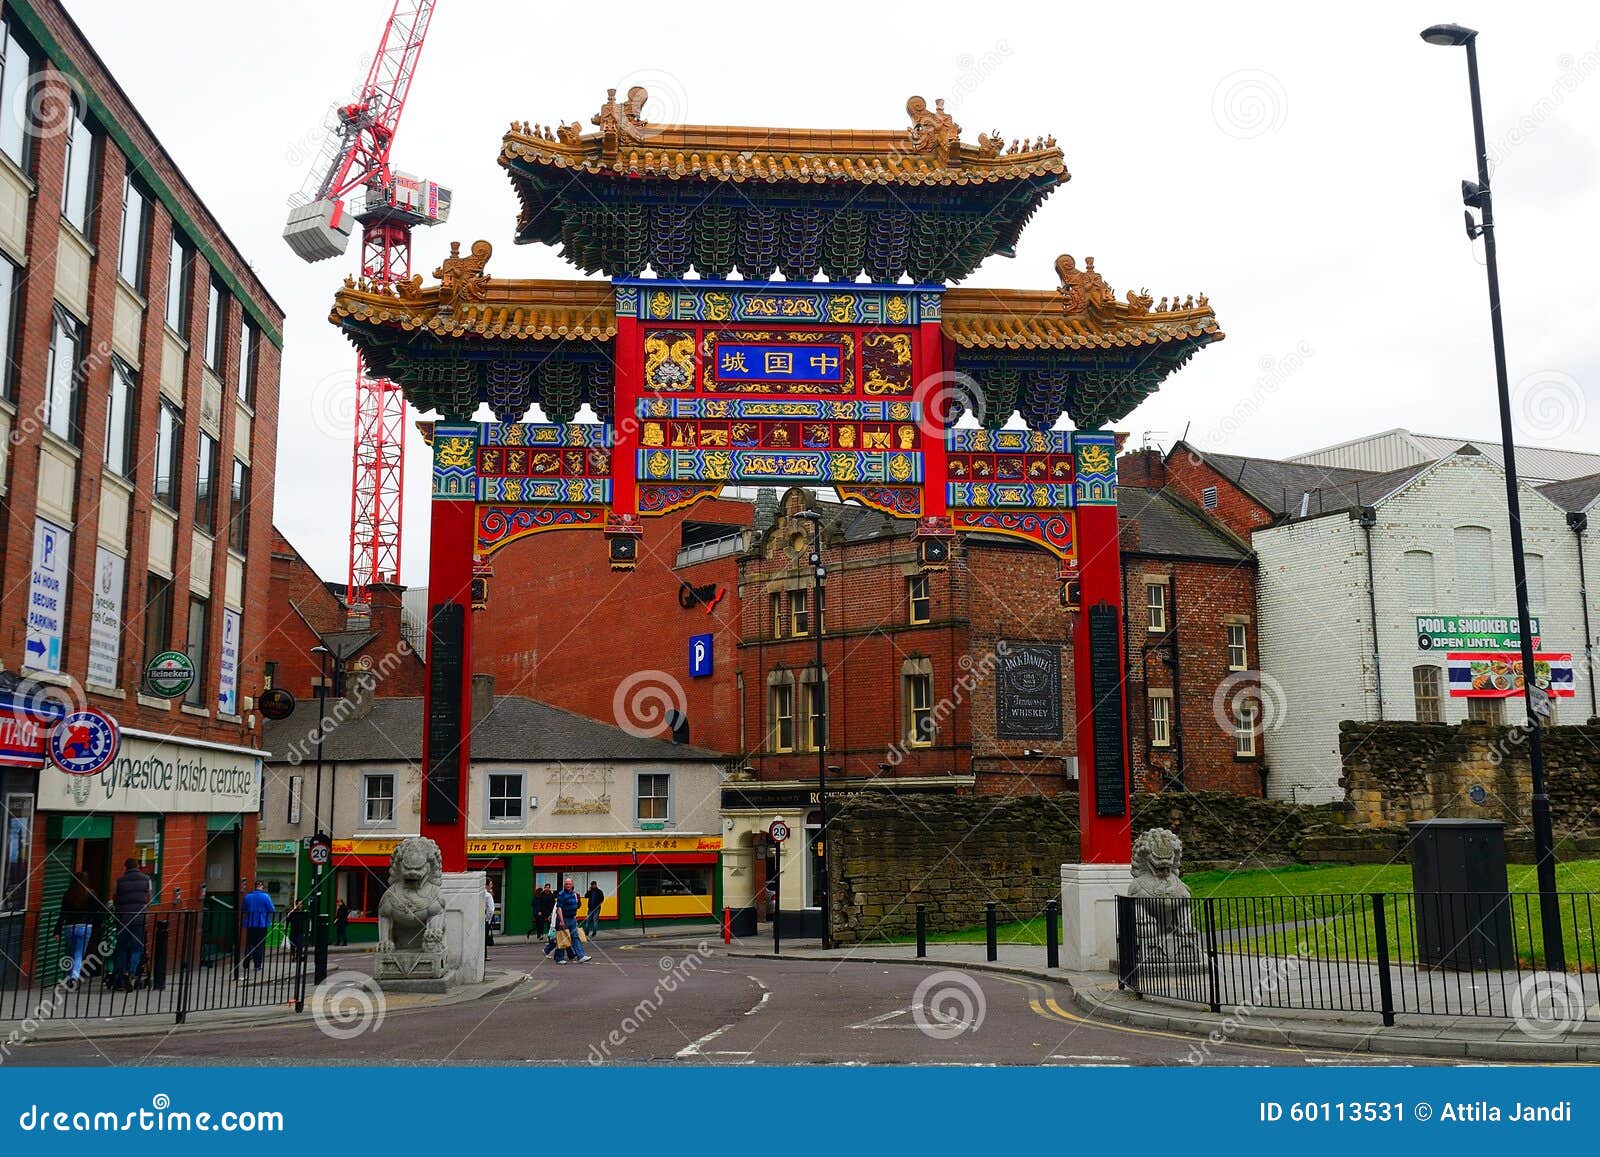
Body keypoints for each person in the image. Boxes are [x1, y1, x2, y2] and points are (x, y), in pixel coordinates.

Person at [110, 858, 151, 991]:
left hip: (123, 918)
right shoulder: (146, 880)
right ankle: (132, 973)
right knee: (136, 948)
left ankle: (119, 978)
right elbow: (148, 899)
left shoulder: (119, 881)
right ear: (138, 866)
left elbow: (115, 899)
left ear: (125, 867)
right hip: (139, 918)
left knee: (121, 948)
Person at [58, 875, 102, 989]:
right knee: (78, 954)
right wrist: (95, 923)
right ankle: (74, 978)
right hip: (85, 926)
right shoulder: (90, 893)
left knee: (71, 953)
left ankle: (70, 976)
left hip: (69, 926)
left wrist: (56, 931)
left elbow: (62, 913)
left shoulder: (68, 894)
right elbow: (98, 909)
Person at [239, 880, 275, 980]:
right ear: (262, 886)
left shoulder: (248, 896)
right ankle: (257, 965)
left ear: (255, 886)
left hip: (250, 924)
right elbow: (271, 909)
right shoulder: (265, 897)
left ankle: (246, 964)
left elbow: (243, 909)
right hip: (262, 923)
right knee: (260, 944)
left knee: (249, 944)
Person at [552, 877, 590, 964]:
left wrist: (574, 918)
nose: (568, 885)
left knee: (575, 937)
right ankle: (559, 959)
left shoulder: (574, 894)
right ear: (564, 885)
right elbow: (559, 908)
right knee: (562, 938)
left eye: (569, 884)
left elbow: (576, 906)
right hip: (564, 918)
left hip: (572, 918)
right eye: (566, 884)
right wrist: (561, 921)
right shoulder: (562, 894)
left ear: (572, 885)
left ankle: (581, 956)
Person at [483, 882, 497, 949]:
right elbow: (491, 910)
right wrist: (487, 919)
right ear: (486, 885)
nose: (492, 886)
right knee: (484, 937)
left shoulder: (485, 894)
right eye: (491, 884)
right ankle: (484, 955)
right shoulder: (488, 895)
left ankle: (484, 955)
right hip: (485, 919)